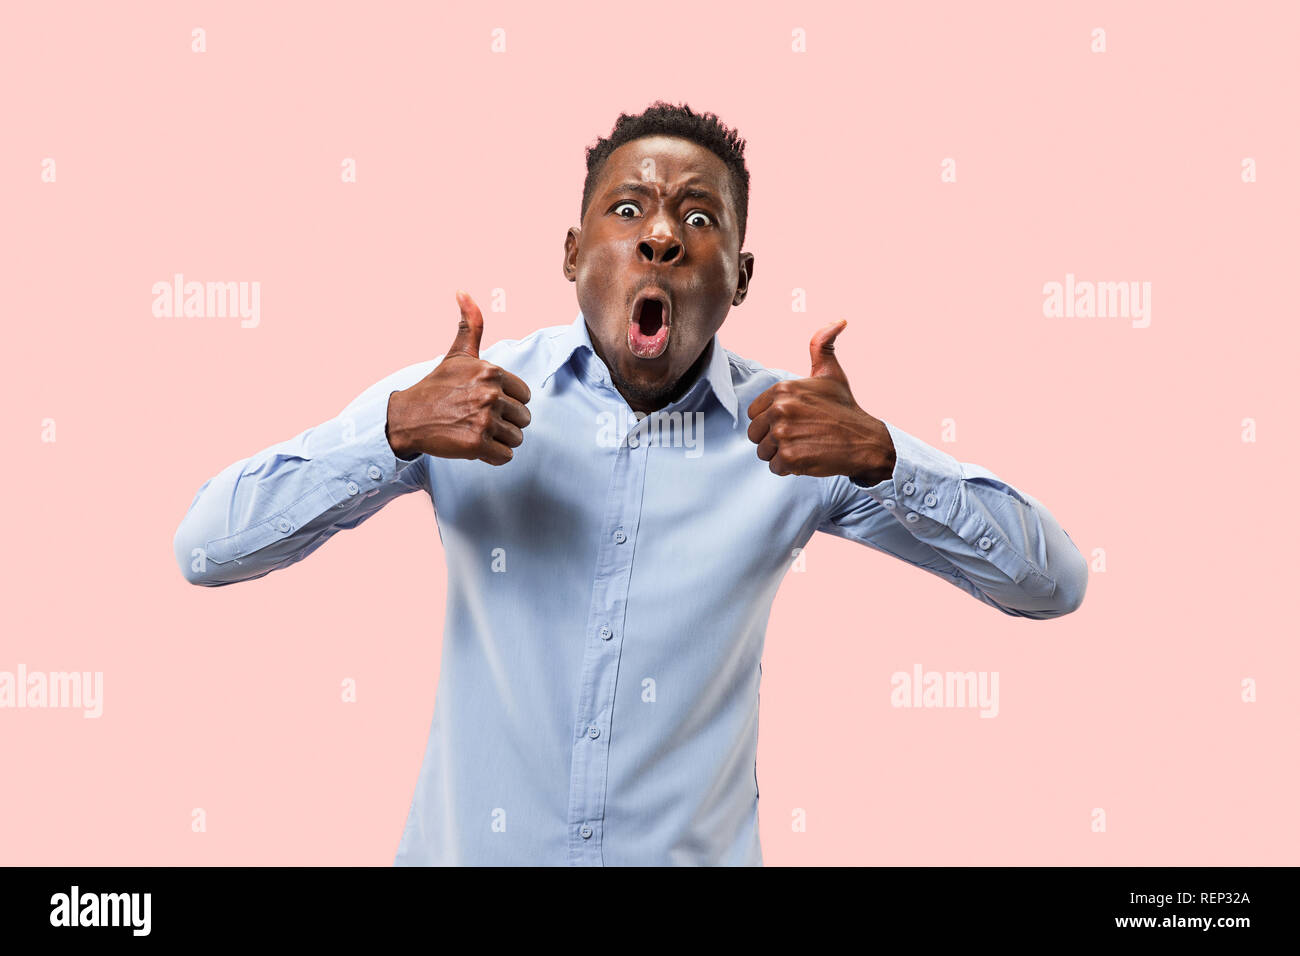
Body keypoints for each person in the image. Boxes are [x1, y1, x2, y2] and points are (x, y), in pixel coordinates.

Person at [173, 101, 1088, 866]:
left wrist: (889, 456)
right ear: (572, 253)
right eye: (628, 212)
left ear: (742, 276)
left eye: (699, 219)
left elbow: (1053, 584)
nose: (660, 235)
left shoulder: (802, 437)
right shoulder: (462, 399)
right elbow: (208, 547)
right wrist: (390, 434)